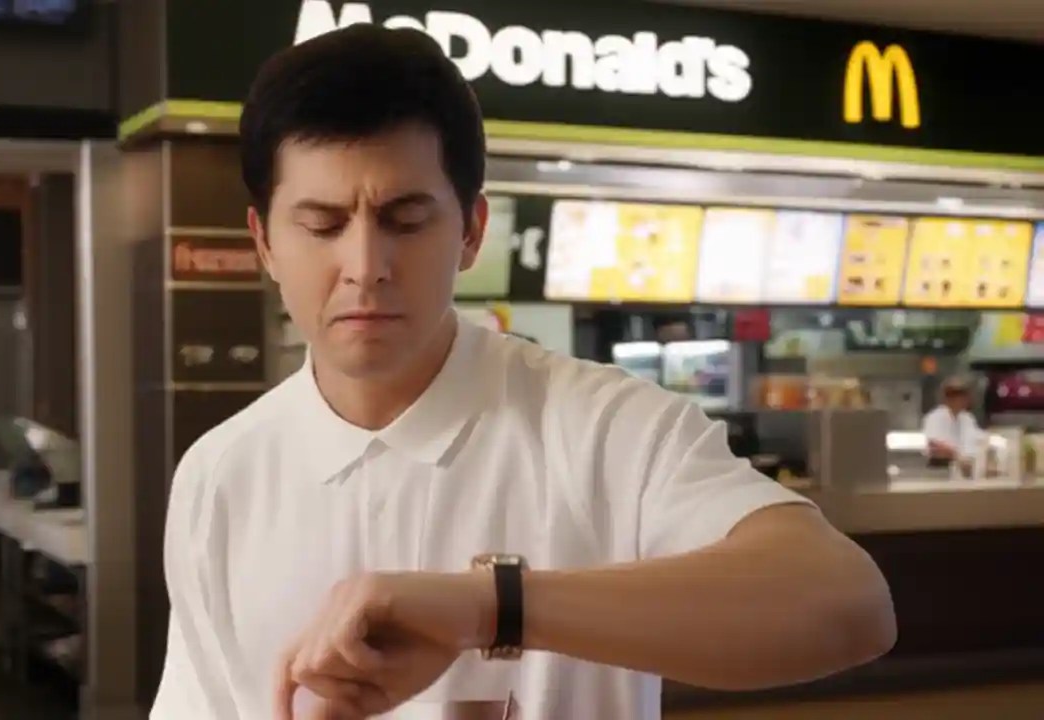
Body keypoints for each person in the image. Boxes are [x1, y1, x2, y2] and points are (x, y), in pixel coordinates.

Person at [152, 26, 895, 720]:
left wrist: (491, 606)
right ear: (264, 242)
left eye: (406, 221)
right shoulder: (222, 474)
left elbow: (847, 604)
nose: (366, 268)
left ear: (471, 230)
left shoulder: (603, 429)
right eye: (321, 226)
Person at [921, 376, 981, 471]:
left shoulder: (968, 418)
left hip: (964, 467)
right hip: (940, 468)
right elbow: (935, 446)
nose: (964, 400)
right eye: (959, 397)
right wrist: (957, 456)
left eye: (965, 396)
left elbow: (977, 441)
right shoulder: (935, 417)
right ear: (948, 398)